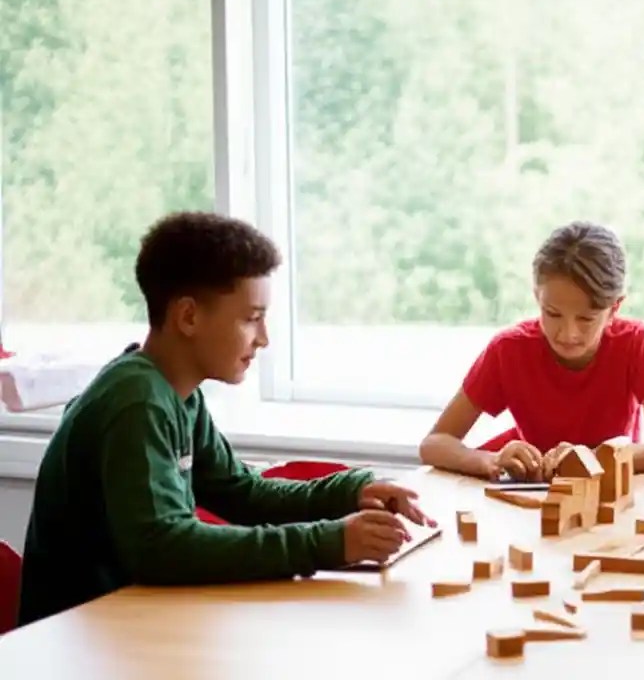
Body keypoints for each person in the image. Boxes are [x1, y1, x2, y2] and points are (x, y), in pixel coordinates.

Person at [19, 212, 427, 627]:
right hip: (76, 642)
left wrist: (350, 492)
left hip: (132, 623)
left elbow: (241, 492)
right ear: (189, 317)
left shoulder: (177, 393)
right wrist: (329, 542)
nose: (264, 338)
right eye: (251, 318)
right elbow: (163, 548)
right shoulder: (137, 401)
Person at [418, 221, 644, 481]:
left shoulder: (635, 343)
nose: (568, 334)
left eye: (586, 319)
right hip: (529, 495)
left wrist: (592, 457)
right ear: (537, 297)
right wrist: (490, 460)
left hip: (606, 496)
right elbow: (434, 443)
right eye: (553, 313)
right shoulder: (509, 350)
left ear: (614, 309)